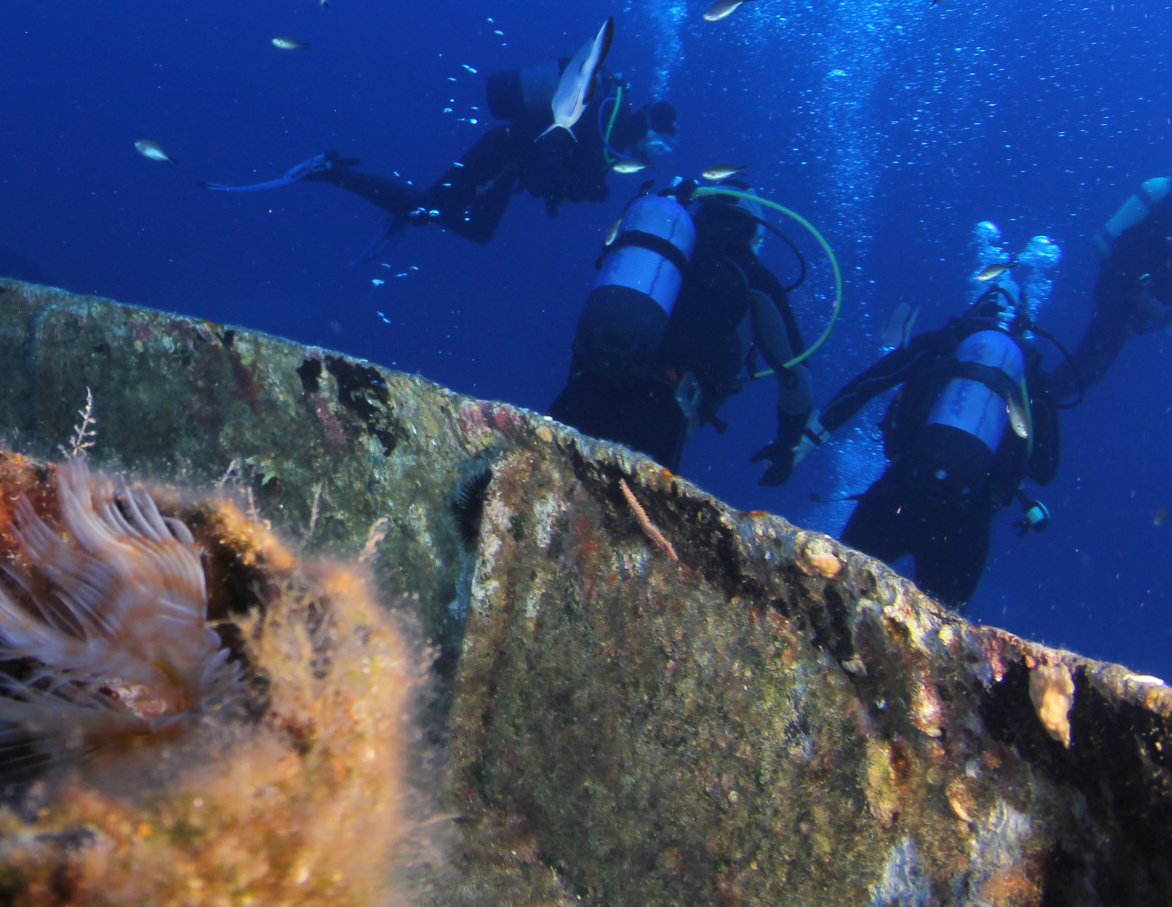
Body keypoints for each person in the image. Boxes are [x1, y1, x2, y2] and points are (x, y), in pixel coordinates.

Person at [214, 65, 675, 245]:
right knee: (424, 210)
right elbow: (555, 163)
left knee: (474, 230)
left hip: (508, 168)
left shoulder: (611, 130)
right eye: (661, 139)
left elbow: (562, 165)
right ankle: (330, 171)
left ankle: (407, 204)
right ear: (651, 124)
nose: (657, 150)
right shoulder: (610, 117)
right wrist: (584, 187)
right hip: (501, 156)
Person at [547, 179, 816, 476]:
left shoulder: (665, 244)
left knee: (529, 483)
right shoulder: (756, 279)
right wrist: (786, 446)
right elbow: (797, 384)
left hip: (591, 380)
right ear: (753, 231)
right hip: (660, 413)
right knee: (615, 515)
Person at [820, 282, 1059, 607]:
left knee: (835, 597)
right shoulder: (1030, 378)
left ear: (976, 310)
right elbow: (1046, 469)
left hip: (901, 492)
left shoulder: (940, 345)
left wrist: (808, 436)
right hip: (967, 520)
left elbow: (868, 384)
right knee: (940, 637)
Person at [1050, 169, 1172, 400]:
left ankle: (1041, 398)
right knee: (1089, 361)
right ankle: (1038, 397)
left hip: (1128, 294)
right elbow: (1169, 267)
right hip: (1121, 286)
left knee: (1093, 367)